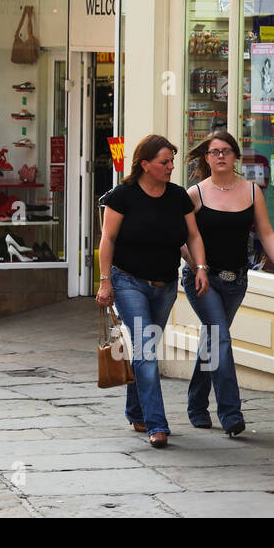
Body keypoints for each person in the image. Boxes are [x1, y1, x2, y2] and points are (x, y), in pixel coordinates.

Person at [96, 135, 210, 448]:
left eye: (172, 161)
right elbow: (107, 240)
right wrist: (105, 281)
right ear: (145, 164)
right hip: (128, 281)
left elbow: (193, 236)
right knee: (146, 350)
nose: (171, 167)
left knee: (147, 348)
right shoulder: (122, 196)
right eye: (165, 162)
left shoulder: (177, 197)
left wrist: (200, 268)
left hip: (165, 285)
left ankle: (136, 410)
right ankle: (156, 425)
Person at [182, 131, 274, 437]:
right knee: (221, 338)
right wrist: (196, 266)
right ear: (206, 157)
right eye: (214, 152)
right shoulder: (195, 194)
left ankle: (196, 404)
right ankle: (231, 413)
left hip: (236, 280)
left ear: (235, 156)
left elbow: (266, 231)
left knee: (213, 340)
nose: (220, 156)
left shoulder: (252, 191)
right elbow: (182, 238)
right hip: (202, 280)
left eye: (226, 151)